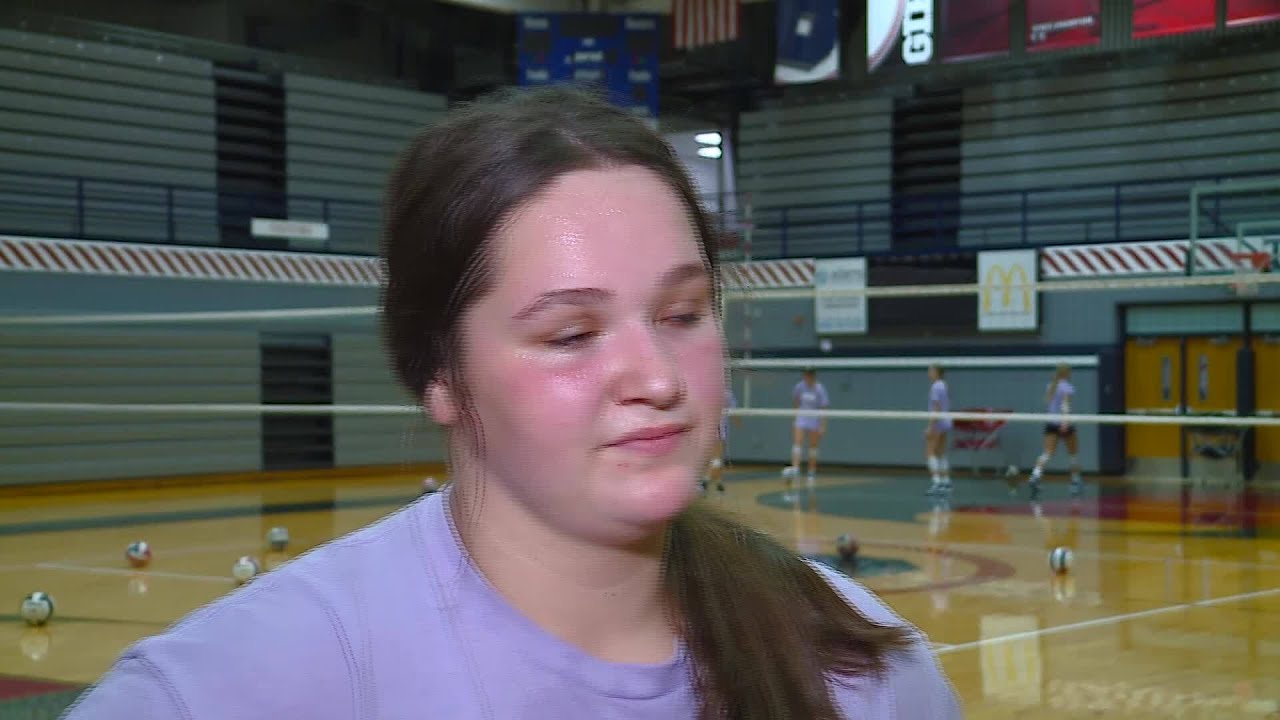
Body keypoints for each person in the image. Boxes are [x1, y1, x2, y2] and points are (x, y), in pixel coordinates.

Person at [62, 86, 959, 719]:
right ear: (440, 377)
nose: (658, 376)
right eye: (572, 334)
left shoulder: (866, 670)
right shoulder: (236, 690)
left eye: (683, 314)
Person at [1028, 363, 1083, 499]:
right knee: (1073, 454)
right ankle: (1075, 480)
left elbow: (1051, 404)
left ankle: (1035, 476)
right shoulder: (1067, 387)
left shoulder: (1050, 386)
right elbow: (1065, 405)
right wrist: (1065, 422)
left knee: (1047, 453)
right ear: (1066, 373)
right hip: (1064, 423)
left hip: (1051, 423)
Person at [781, 367, 829, 497]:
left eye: (809, 375)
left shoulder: (820, 389)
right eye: (805, 375)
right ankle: (796, 469)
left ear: (813, 376)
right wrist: (795, 418)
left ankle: (811, 471)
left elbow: (824, 408)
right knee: (797, 442)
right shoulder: (799, 387)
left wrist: (823, 425)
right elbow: (796, 402)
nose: (807, 378)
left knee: (813, 446)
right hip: (802, 417)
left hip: (814, 418)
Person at [925, 364, 952, 496]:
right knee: (941, 452)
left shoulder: (935, 386)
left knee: (930, 451)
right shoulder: (943, 384)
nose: (928, 373)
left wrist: (930, 426)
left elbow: (936, 407)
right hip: (946, 421)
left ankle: (936, 482)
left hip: (938, 422)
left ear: (936, 372)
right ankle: (946, 482)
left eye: (930, 370)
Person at [702, 386, 735, 495]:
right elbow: (734, 412)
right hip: (718, 430)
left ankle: (717, 483)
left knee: (716, 459)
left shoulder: (711, 392)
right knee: (716, 459)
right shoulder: (727, 394)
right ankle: (707, 481)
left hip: (714, 429)